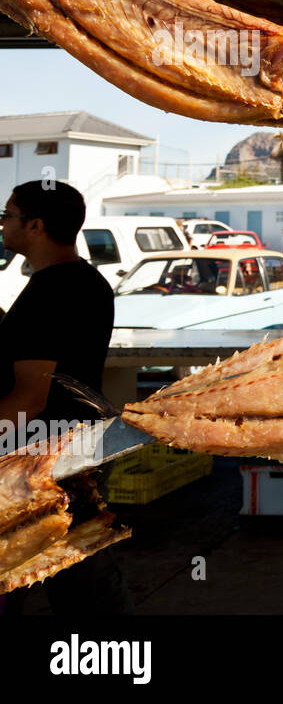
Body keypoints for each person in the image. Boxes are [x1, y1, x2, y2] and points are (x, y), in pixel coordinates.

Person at [0, 181, 130, 614]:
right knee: (66, 568)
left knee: (74, 573)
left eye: (8, 215)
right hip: (78, 440)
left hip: (46, 453)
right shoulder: (86, 280)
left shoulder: (48, 293)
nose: (2, 224)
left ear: (34, 225)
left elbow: (31, 397)